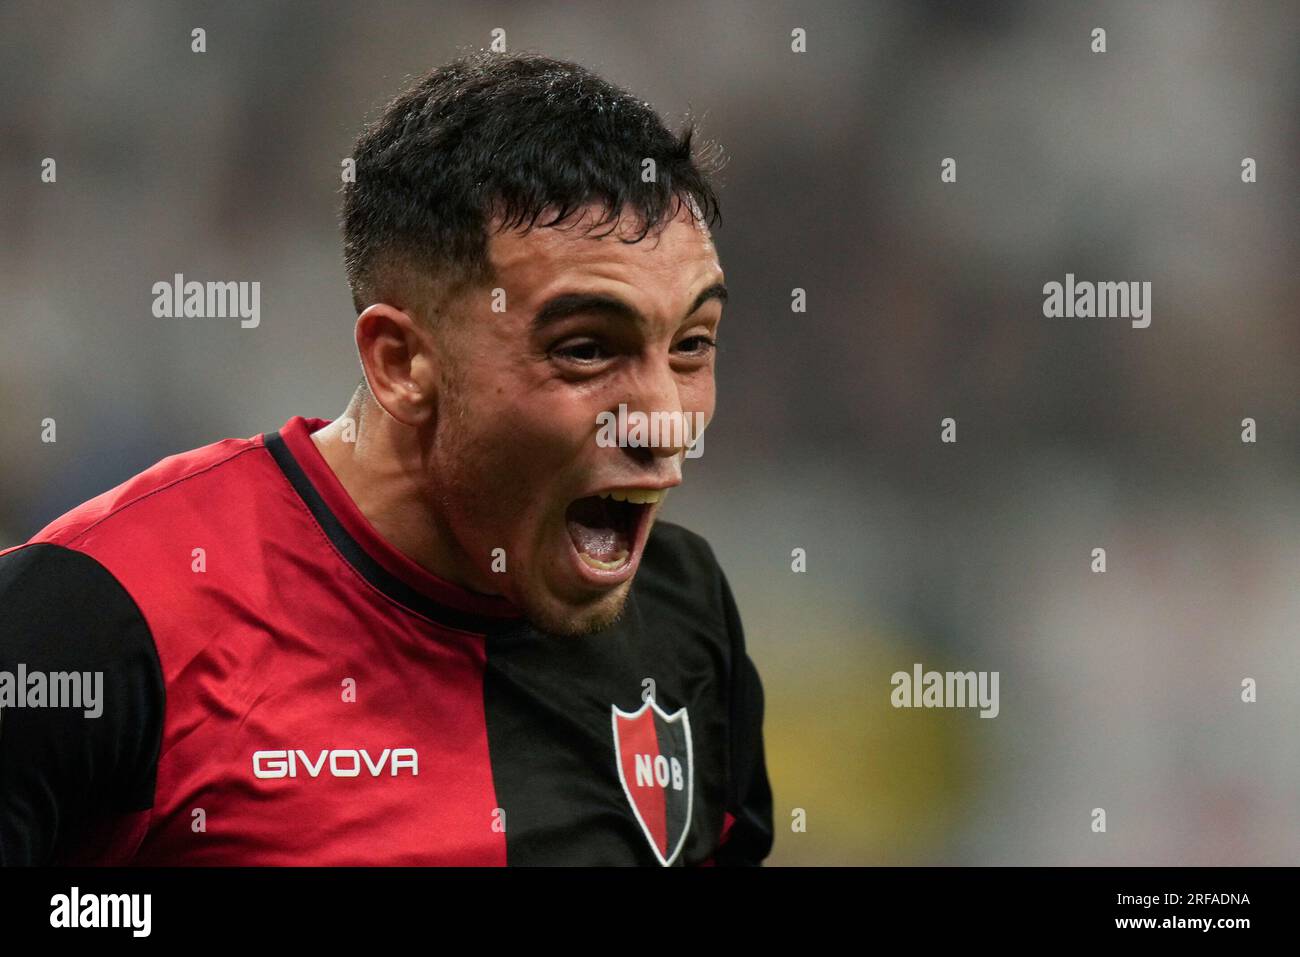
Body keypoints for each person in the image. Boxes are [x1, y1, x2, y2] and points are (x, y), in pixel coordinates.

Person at [0, 50, 773, 866]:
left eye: (691, 344)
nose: (664, 421)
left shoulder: (685, 616)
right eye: (584, 349)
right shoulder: (92, 624)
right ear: (402, 363)